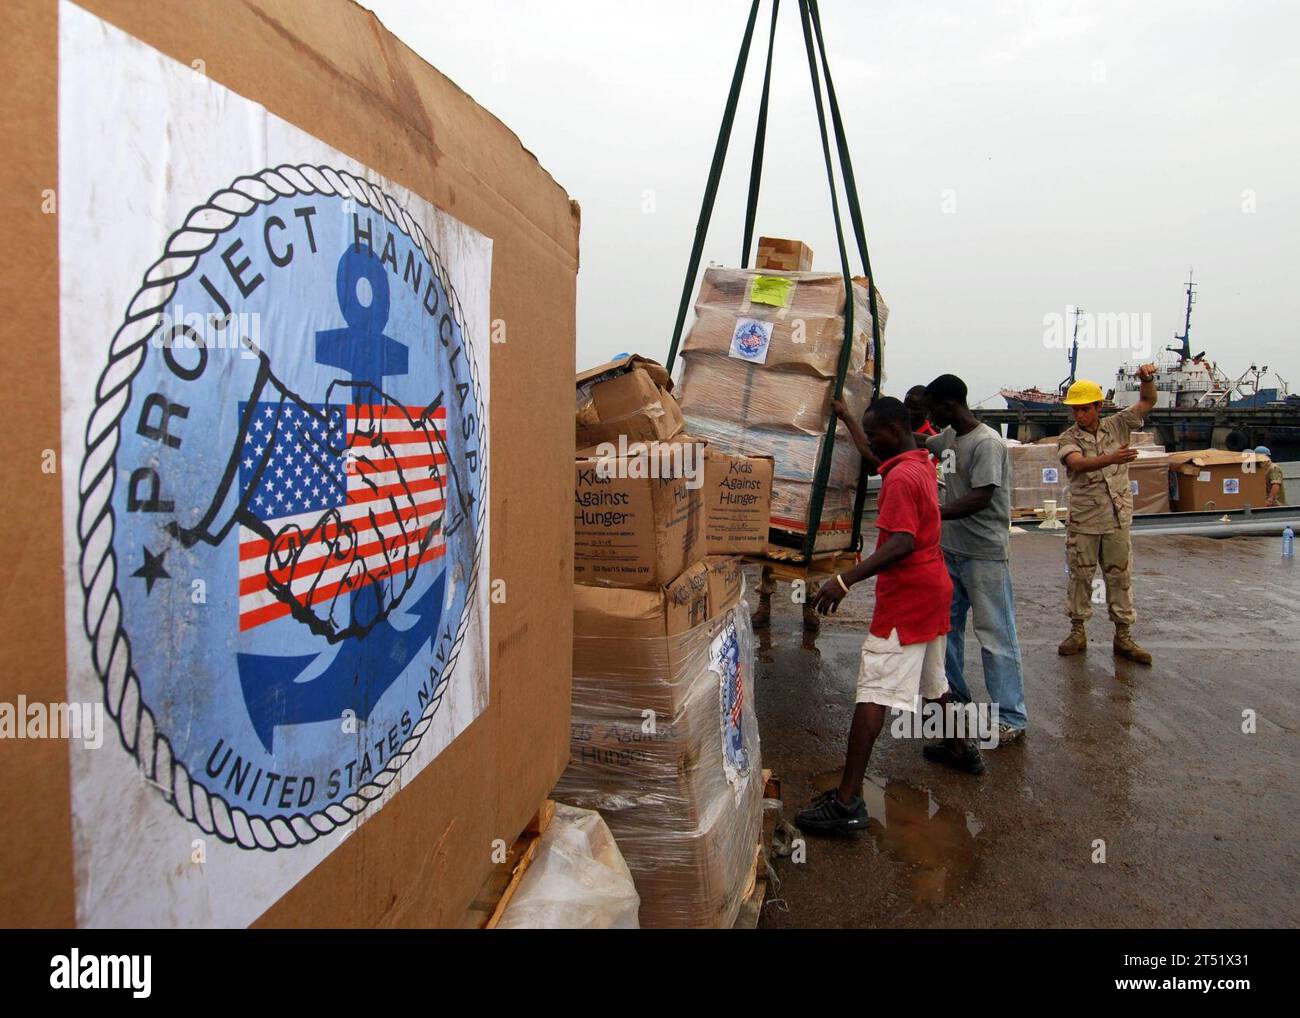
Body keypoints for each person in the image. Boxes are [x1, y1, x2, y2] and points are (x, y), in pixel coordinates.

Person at [795, 398, 984, 836]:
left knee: (873, 691)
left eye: (875, 431)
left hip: (909, 597)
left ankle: (847, 802)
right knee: (934, 681)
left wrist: (843, 581)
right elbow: (875, 455)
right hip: (934, 589)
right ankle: (960, 749)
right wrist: (847, 421)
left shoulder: (900, 479)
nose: (873, 440)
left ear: (896, 429)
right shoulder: (919, 460)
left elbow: (900, 542)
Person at [923, 374, 1028, 744]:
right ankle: (957, 697)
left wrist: (933, 513)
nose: (931, 416)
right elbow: (924, 441)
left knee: (995, 635)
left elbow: (981, 497)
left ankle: (1011, 716)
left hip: (984, 555)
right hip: (951, 551)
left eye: (933, 408)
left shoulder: (987, 443)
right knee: (947, 630)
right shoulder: (950, 438)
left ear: (950, 405)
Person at [1057, 367, 1158, 665]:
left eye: (1085, 409)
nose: (1079, 415)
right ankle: (1078, 631)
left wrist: (1146, 379)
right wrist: (1111, 458)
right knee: (1081, 577)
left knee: (1120, 576)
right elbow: (1077, 464)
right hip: (1085, 521)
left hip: (1116, 518)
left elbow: (1147, 401)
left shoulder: (1118, 425)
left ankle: (1123, 635)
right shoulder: (1067, 438)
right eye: (1075, 410)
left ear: (1099, 407)